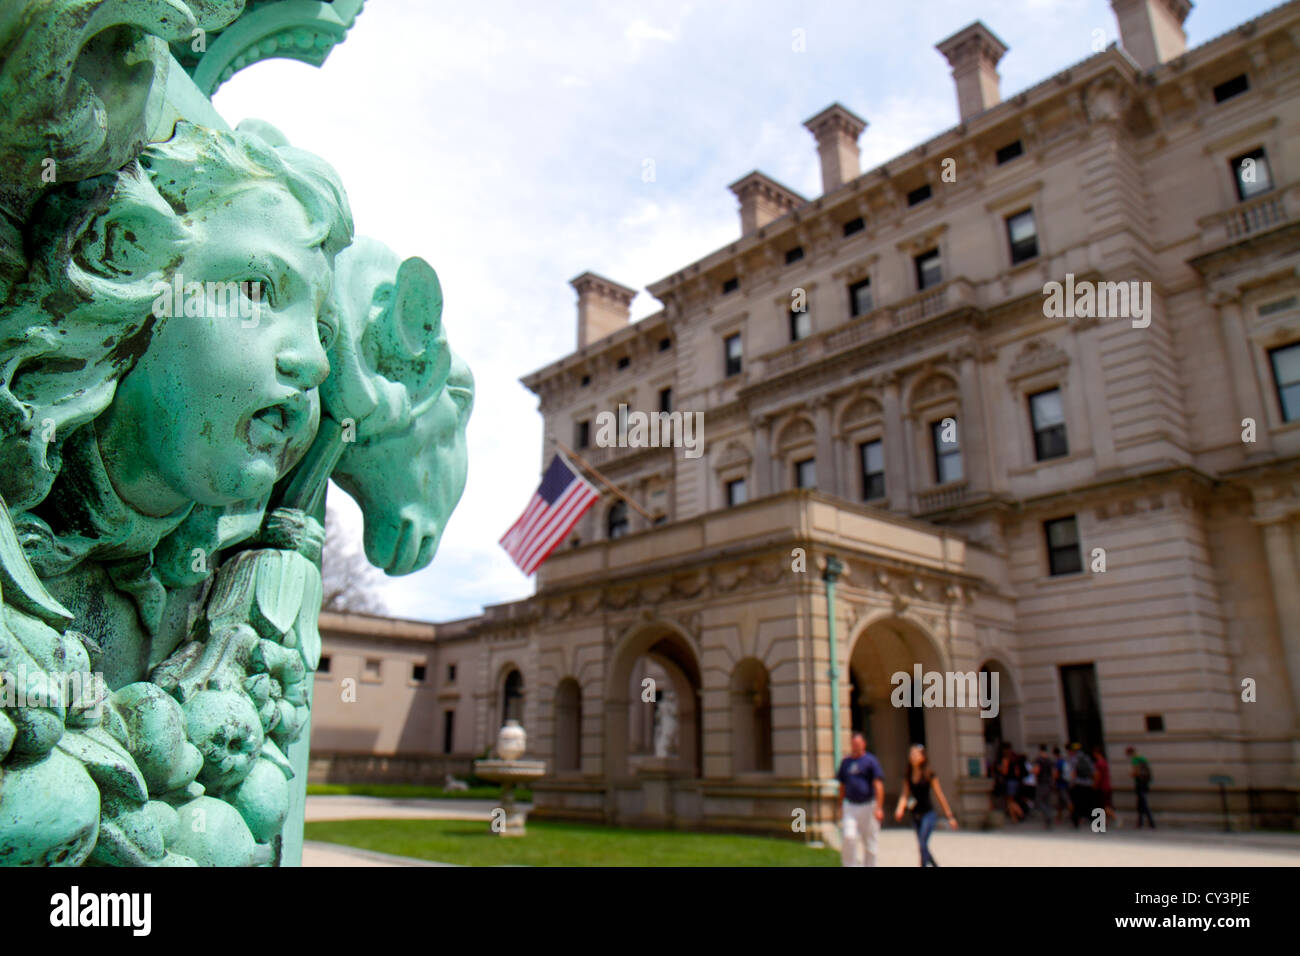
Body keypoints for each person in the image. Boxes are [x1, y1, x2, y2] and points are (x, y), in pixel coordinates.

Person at [894, 743, 957, 866]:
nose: (913, 757)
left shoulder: (929, 775)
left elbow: (940, 796)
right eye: (911, 754)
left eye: (916, 754)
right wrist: (899, 809)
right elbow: (904, 795)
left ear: (923, 757)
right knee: (922, 846)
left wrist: (950, 816)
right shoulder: (908, 775)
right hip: (915, 814)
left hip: (928, 814)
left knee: (922, 844)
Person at [837, 731, 885, 866]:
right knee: (849, 837)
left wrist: (879, 808)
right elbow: (842, 786)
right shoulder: (846, 762)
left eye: (858, 744)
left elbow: (878, 785)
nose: (855, 746)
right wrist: (840, 805)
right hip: (850, 806)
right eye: (853, 744)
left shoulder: (870, 761)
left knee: (870, 843)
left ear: (864, 744)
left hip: (868, 806)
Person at [1126, 746, 1156, 828]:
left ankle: (1151, 823)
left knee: (1143, 803)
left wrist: (1131, 774)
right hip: (1145, 783)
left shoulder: (1135, 760)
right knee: (1140, 804)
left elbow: (1136, 772)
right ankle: (1140, 823)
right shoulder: (1142, 758)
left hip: (1139, 783)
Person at [1068, 742, 1095, 828]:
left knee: (1076, 803)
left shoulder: (1074, 759)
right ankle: (1092, 819)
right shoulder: (1087, 758)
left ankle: (1076, 822)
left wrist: (1072, 783)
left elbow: (1073, 772)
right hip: (1088, 784)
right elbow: (1092, 771)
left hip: (1078, 784)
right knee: (1088, 802)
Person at [1092, 744, 1119, 827]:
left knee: (1104, 806)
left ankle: (1116, 818)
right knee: (1105, 805)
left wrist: (1094, 785)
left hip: (1102, 787)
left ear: (1096, 753)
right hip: (1107, 786)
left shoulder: (1099, 763)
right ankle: (1105, 823)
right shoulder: (1104, 762)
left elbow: (1097, 776)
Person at [1033, 744, 1056, 829]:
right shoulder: (1049, 759)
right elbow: (1054, 772)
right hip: (1049, 783)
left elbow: (1036, 770)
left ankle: (1048, 816)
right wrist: (1053, 782)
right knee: (1047, 802)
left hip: (1041, 782)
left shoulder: (1039, 759)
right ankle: (1048, 821)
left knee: (1039, 801)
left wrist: (1033, 774)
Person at [1053, 746, 1071, 824]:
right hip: (1065, 784)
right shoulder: (1063, 761)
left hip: (1061, 785)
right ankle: (1058, 818)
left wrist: (1053, 782)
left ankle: (1076, 815)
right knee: (1060, 803)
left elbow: (1056, 774)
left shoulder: (1058, 762)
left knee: (1067, 801)